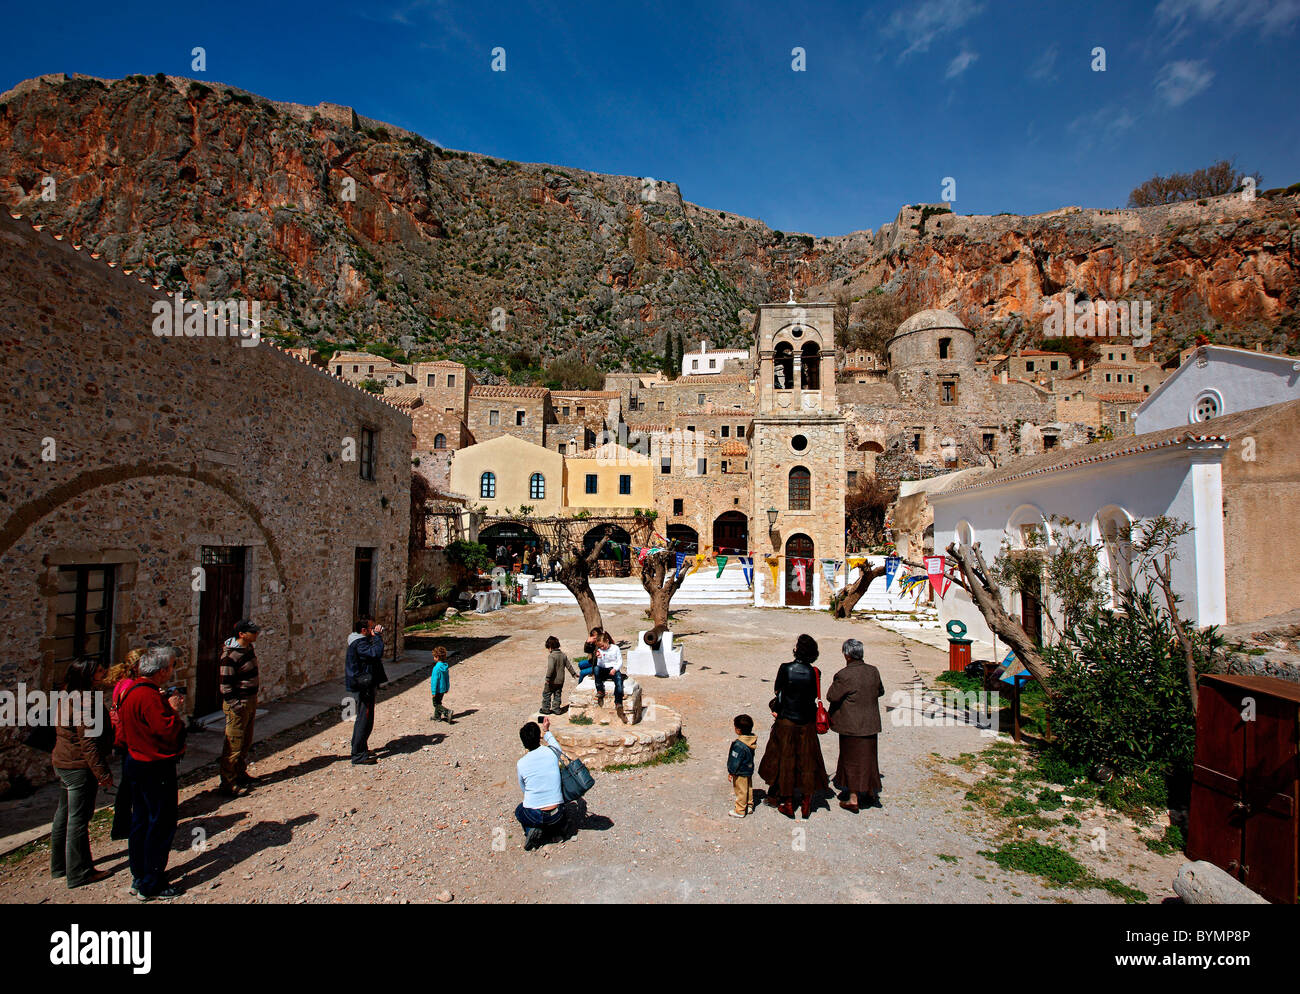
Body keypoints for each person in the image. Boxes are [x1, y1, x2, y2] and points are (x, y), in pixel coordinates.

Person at [119, 646, 187, 900]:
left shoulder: (131, 690)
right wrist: (173, 709)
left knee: (141, 821)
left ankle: (139, 875)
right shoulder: (148, 697)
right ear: (161, 671)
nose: (172, 671)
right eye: (171, 666)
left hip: (136, 761)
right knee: (160, 824)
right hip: (154, 766)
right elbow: (166, 731)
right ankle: (151, 883)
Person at [50, 657, 114, 888]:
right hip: (78, 765)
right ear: (88, 675)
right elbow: (88, 743)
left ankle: (59, 866)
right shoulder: (85, 702)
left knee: (64, 814)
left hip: (63, 760)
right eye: (98, 670)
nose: (103, 672)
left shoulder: (67, 693)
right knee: (78, 818)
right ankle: (79, 872)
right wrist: (102, 772)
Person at [757, 634, 829, 819]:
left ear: (797, 649)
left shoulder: (786, 668)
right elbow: (813, 695)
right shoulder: (815, 672)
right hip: (807, 721)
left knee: (784, 759)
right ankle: (806, 804)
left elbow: (778, 691)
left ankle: (787, 802)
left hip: (786, 720)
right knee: (807, 761)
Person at [827, 638, 885, 812]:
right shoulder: (873, 671)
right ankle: (870, 791)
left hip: (851, 724)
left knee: (851, 759)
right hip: (870, 722)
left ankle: (853, 798)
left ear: (847, 655)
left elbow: (832, 696)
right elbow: (880, 691)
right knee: (869, 758)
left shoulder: (844, 675)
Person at [217, 619, 260, 797]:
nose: (256, 634)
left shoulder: (248, 649)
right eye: (252, 632)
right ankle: (227, 782)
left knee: (245, 741)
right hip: (239, 704)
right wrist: (236, 705)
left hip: (250, 701)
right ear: (242, 634)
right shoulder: (230, 656)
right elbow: (225, 686)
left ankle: (240, 774)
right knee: (233, 744)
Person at [106, 648, 145, 841]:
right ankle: (123, 824)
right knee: (131, 782)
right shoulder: (131, 685)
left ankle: (123, 823)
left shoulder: (123, 683)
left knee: (128, 782)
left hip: (124, 738)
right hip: (131, 738)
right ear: (138, 666)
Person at [515, 717, 566, 851]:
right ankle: (555, 829)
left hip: (536, 814)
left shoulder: (521, 763)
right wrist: (546, 730)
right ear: (539, 737)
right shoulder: (552, 752)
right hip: (558, 812)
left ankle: (531, 830)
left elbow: (524, 789)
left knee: (519, 811)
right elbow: (556, 745)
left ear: (524, 743)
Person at [345, 617, 386, 765]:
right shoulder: (360, 644)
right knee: (364, 719)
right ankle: (358, 755)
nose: (374, 630)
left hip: (366, 685)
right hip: (364, 687)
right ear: (364, 630)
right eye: (371, 628)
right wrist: (378, 637)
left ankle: (361, 747)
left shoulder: (360, 642)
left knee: (365, 719)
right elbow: (376, 653)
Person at [726, 714, 757, 819]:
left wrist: (731, 772)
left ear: (738, 730)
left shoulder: (738, 745)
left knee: (740, 790)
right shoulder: (751, 740)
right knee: (748, 788)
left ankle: (740, 810)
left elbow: (735, 760)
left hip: (740, 771)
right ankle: (749, 805)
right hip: (748, 768)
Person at [541, 636, 579, 715]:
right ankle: (556, 709)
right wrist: (574, 674)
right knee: (557, 694)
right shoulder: (563, 655)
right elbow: (569, 666)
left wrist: (548, 678)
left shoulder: (552, 656)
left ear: (550, 647)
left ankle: (546, 709)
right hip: (560, 680)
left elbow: (551, 668)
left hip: (552, 680)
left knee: (547, 694)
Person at [593, 632, 624, 708]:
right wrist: (599, 658)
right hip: (604, 669)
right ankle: (600, 690)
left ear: (607, 641)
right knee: (596, 668)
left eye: (603, 646)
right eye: (600, 647)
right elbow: (600, 665)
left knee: (619, 682)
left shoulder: (615, 648)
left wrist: (615, 669)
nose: (602, 648)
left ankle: (618, 702)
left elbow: (620, 661)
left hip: (613, 669)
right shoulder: (600, 650)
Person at [430, 646, 453, 723]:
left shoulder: (436, 668)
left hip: (437, 689)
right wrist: (447, 687)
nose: (433, 658)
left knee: (436, 704)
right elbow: (447, 678)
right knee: (439, 702)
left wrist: (433, 691)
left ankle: (447, 712)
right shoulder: (445, 667)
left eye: (434, 656)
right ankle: (437, 716)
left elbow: (434, 681)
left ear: (437, 657)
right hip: (443, 689)